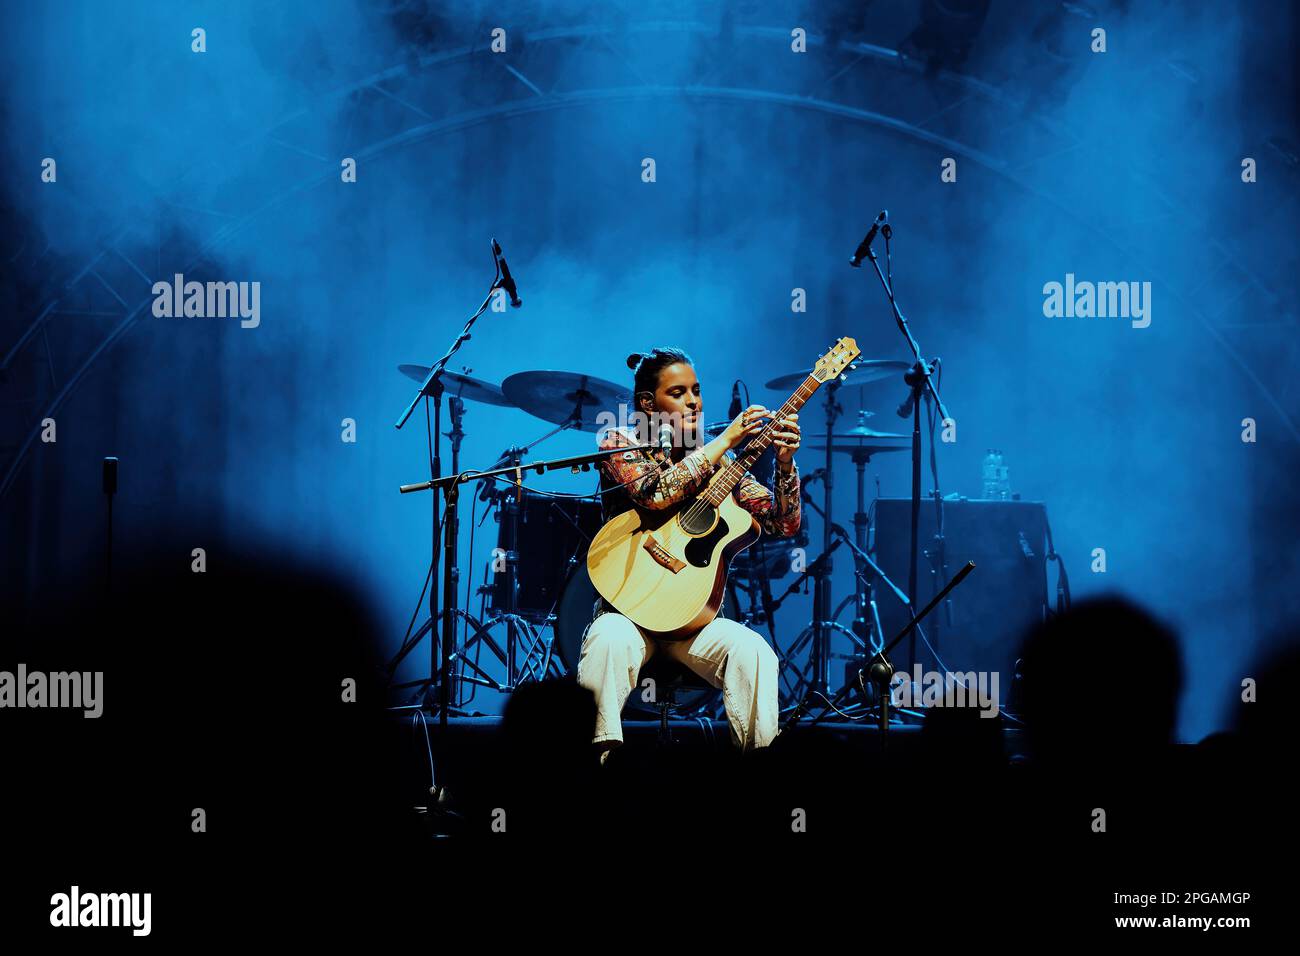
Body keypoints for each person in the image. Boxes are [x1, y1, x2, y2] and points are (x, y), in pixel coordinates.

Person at [576, 347, 801, 760]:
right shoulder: (618, 442)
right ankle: (594, 774)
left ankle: (765, 781)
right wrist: (725, 440)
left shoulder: (722, 463)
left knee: (754, 653)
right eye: (678, 392)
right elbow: (656, 492)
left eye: (696, 390)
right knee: (607, 642)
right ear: (648, 403)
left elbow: (781, 523)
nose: (694, 400)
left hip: (691, 621)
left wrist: (785, 466)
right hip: (628, 615)